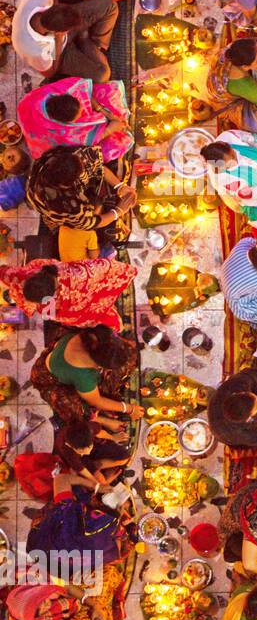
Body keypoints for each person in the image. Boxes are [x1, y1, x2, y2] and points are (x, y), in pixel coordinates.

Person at [25, 144, 134, 261]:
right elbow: (93, 223)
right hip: (57, 217)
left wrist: (119, 186)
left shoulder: (58, 158)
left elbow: (99, 167)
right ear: (67, 185)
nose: (85, 169)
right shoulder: (66, 206)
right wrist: (119, 211)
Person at [35, 325, 141, 424]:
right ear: (99, 366)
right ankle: (102, 420)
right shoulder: (84, 377)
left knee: (130, 357)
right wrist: (129, 409)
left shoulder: (93, 338)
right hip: (51, 379)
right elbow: (97, 401)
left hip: (59, 357)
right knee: (82, 412)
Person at [0, 257, 134, 330]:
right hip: (90, 285)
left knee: (96, 316)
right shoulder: (39, 270)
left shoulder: (51, 306)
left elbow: (74, 318)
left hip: (88, 290)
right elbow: (104, 266)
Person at [18, 76, 131, 161]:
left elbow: (83, 92)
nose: (83, 110)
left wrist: (101, 110)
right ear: (65, 123)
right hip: (36, 130)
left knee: (110, 92)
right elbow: (88, 142)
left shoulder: (56, 91)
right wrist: (111, 129)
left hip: (28, 108)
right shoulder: (62, 133)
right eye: (79, 115)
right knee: (110, 146)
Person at [12, 0, 118, 82]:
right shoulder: (35, 50)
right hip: (60, 53)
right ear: (57, 32)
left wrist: (68, 13)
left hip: (63, 20)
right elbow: (50, 73)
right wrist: (58, 42)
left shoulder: (41, 0)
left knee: (110, 6)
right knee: (102, 75)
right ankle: (86, 43)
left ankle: (92, 44)